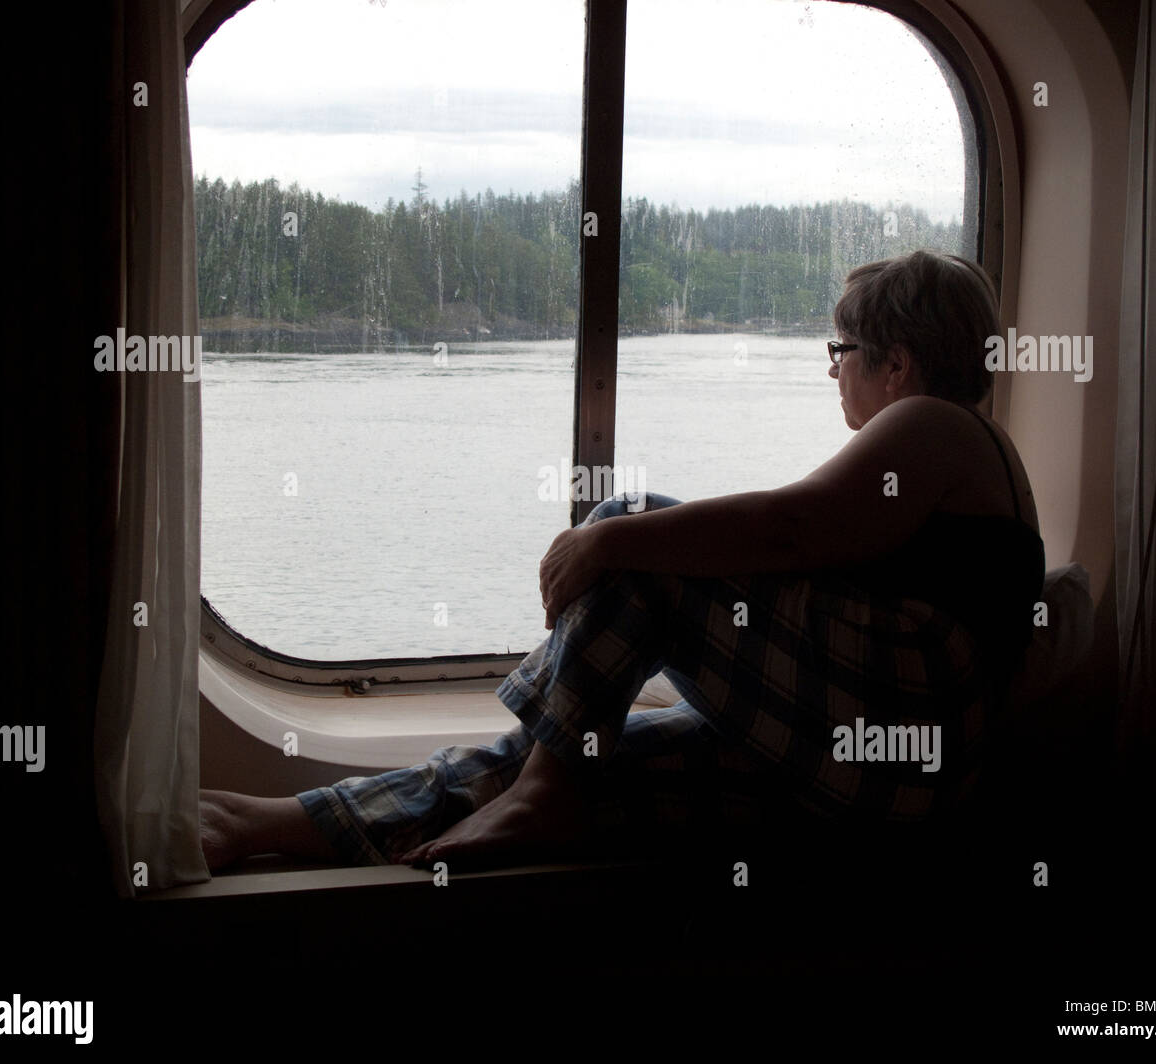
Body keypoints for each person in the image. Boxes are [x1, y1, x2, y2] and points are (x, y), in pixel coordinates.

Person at [200, 249, 1045, 873]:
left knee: (636, 532)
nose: (832, 371)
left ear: (896, 361)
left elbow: (790, 529)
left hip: (904, 730)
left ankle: (542, 795)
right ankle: (284, 825)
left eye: (841, 350)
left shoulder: (934, 423)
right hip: (892, 764)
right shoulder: (961, 451)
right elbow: (810, 550)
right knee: (585, 756)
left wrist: (605, 538)